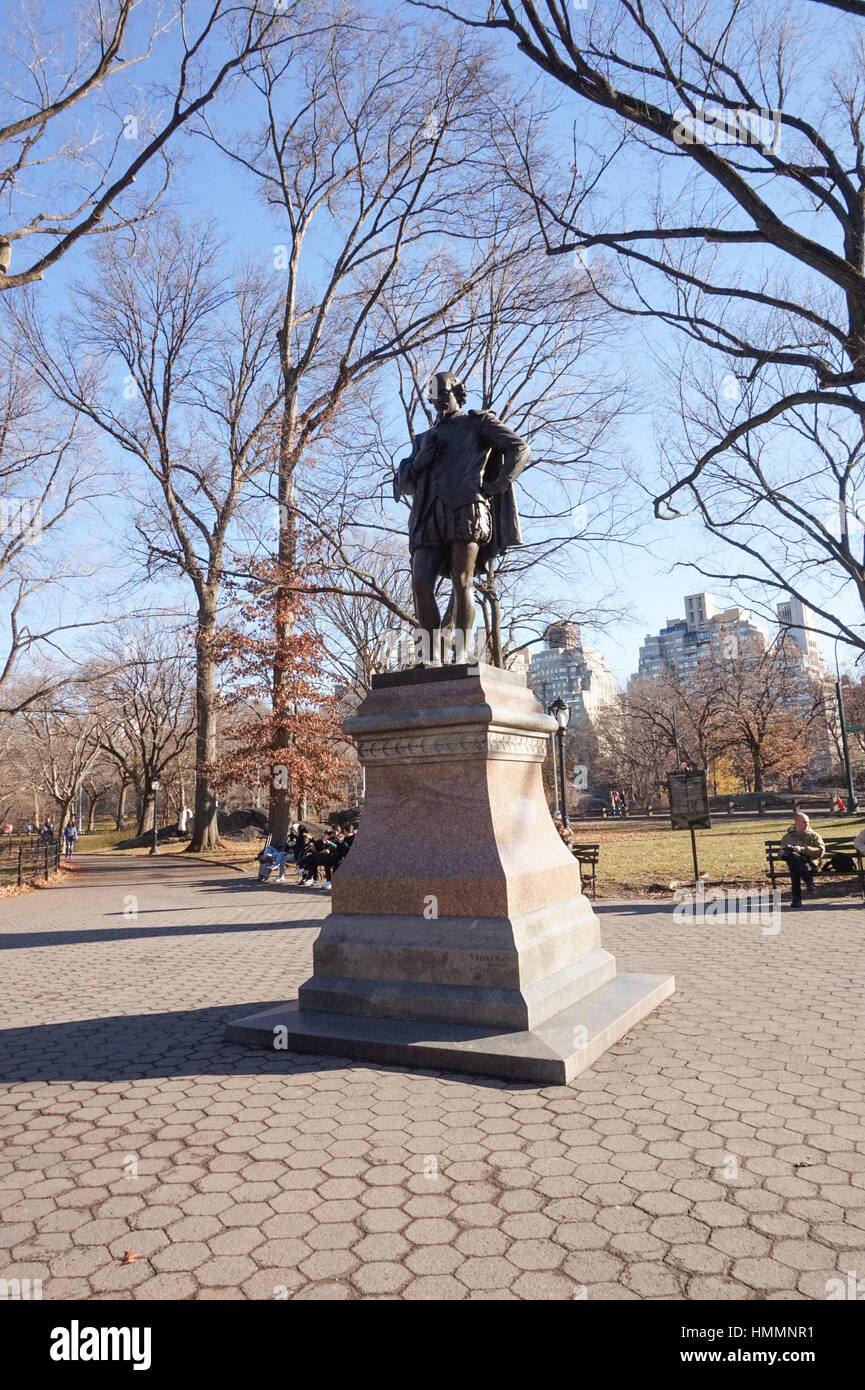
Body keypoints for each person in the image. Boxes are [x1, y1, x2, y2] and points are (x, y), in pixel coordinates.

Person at [780, 812, 825, 908]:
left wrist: (802, 849)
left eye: (808, 822)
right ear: (796, 822)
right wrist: (783, 852)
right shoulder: (787, 837)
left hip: (810, 865)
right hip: (797, 866)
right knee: (793, 858)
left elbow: (820, 852)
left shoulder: (814, 836)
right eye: (804, 822)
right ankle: (809, 882)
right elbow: (781, 854)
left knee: (794, 865)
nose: (807, 824)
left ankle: (797, 899)